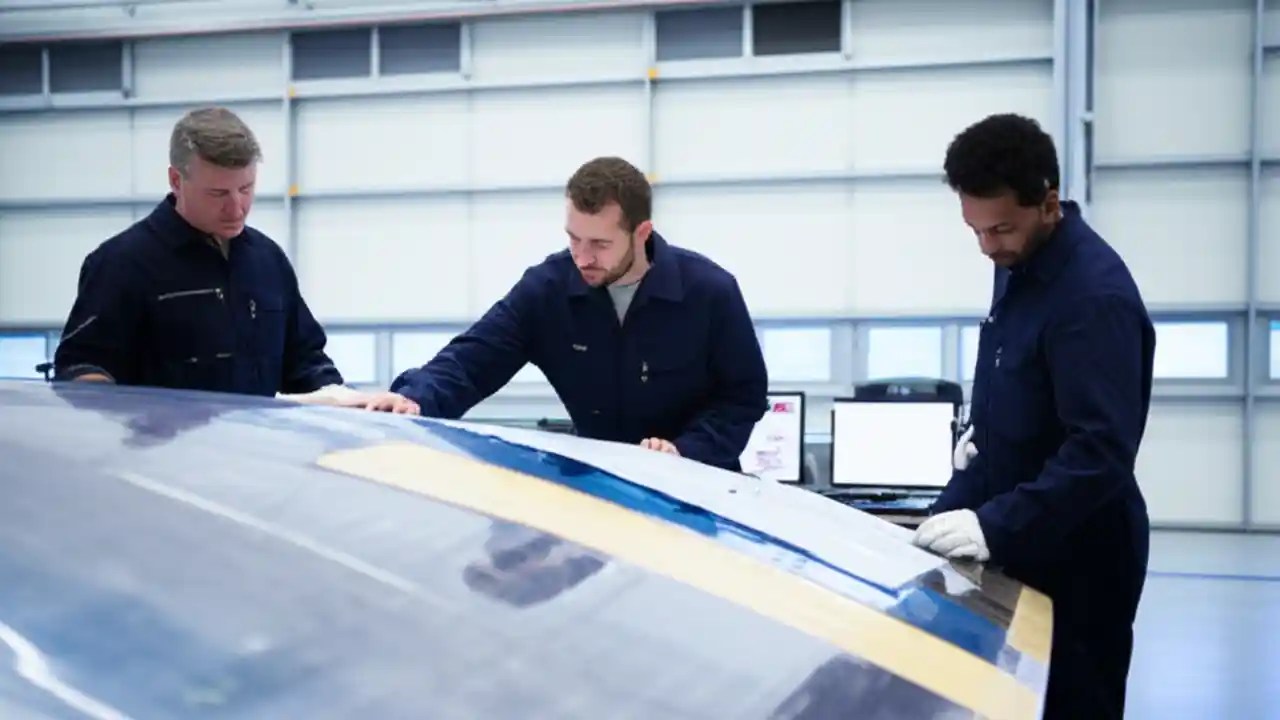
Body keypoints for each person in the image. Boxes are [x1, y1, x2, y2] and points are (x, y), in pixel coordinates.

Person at [911, 113, 1154, 719]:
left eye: (1000, 230)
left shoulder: (1094, 299)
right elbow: (1007, 389)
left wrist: (996, 525)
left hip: (1082, 559)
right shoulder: (1018, 263)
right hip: (1018, 533)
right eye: (975, 231)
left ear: (1049, 203)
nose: (988, 247)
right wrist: (949, 507)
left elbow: (1099, 453)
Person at [350, 156, 769, 471]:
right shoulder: (547, 291)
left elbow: (742, 397)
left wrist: (684, 451)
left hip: (696, 493)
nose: (582, 258)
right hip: (597, 490)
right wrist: (414, 399)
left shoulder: (709, 292)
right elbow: (473, 358)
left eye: (600, 245)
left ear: (641, 233)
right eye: (574, 239)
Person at [52, 106, 344, 397]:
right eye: (218, 194)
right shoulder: (121, 264)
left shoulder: (269, 261)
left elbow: (306, 363)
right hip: (161, 444)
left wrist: (346, 400)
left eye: (246, 188)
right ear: (176, 181)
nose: (237, 207)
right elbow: (81, 368)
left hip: (257, 442)